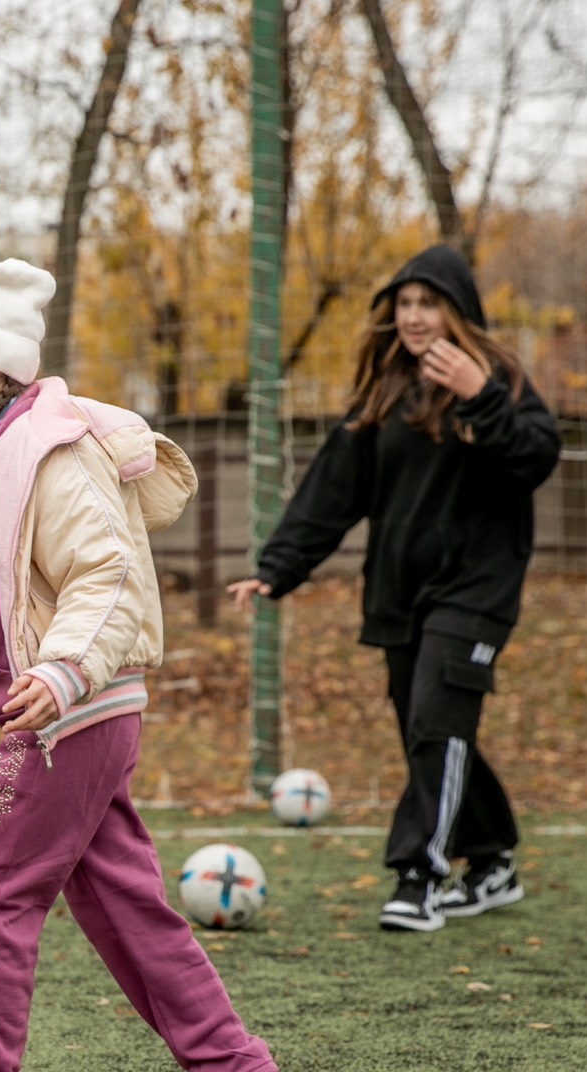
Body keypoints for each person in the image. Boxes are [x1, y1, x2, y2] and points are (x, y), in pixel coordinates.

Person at [0, 259, 302, 1072]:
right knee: (119, 900)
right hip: (76, 710)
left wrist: (66, 672)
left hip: (71, 717)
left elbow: (106, 575)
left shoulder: (51, 452)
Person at [229, 244, 561, 933]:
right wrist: (279, 564)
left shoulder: (500, 380)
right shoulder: (384, 390)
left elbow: (535, 457)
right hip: (399, 592)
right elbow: (331, 490)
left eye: (428, 302)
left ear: (458, 309)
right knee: (428, 731)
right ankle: (492, 861)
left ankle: (420, 877)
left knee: (437, 723)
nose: (414, 316)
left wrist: (481, 394)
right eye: (404, 304)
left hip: (475, 591)